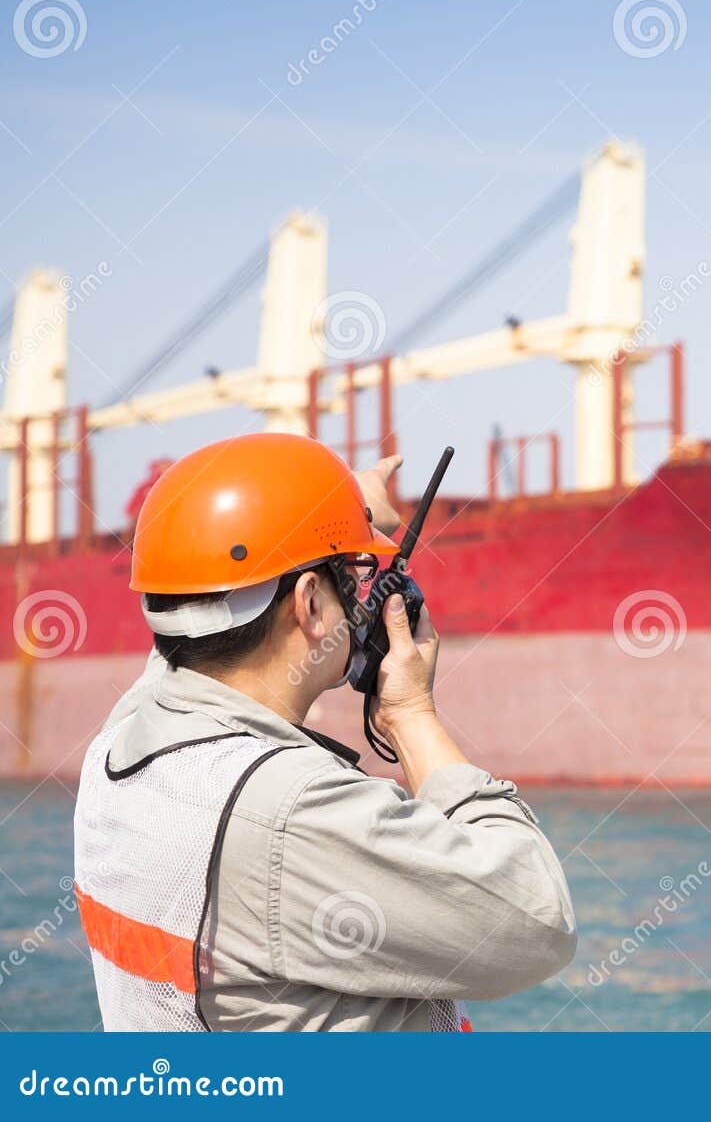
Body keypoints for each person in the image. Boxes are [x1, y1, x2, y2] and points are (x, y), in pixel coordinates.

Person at [73, 433, 577, 1031]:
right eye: (354, 578)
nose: (363, 597)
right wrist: (410, 714)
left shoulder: (118, 745)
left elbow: (191, 616)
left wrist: (337, 509)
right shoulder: (290, 810)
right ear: (310, 603)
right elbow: (537, 921)